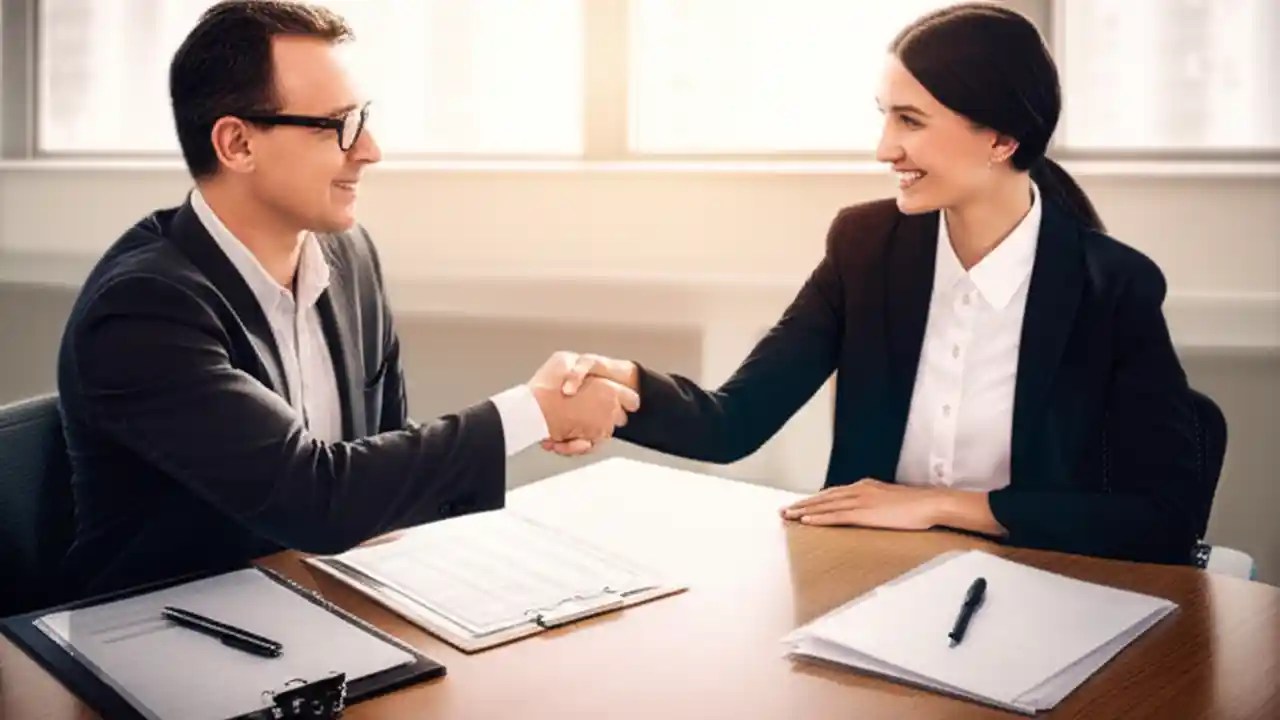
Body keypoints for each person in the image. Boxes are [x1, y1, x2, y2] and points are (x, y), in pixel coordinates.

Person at [549, 3, 1205, 565]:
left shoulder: (1112, 286)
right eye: (884, 116)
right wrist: (620, 383)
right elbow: (732, 423)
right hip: (870, 581)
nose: (883, 148)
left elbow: (1166, 519)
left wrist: (943, 507)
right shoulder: (866, 249)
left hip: (1038, 590)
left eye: (910, 121)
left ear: (1002, 140)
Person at [56, 0, 635, 597]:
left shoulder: (348, 255)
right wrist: (530, 411)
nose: (370, 150)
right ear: (237, 145)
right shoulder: (142, 308)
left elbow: (378, 455)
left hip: (312, 598)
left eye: (363, 119)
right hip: (162, 633)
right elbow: (313, 497)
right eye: (338, 127)